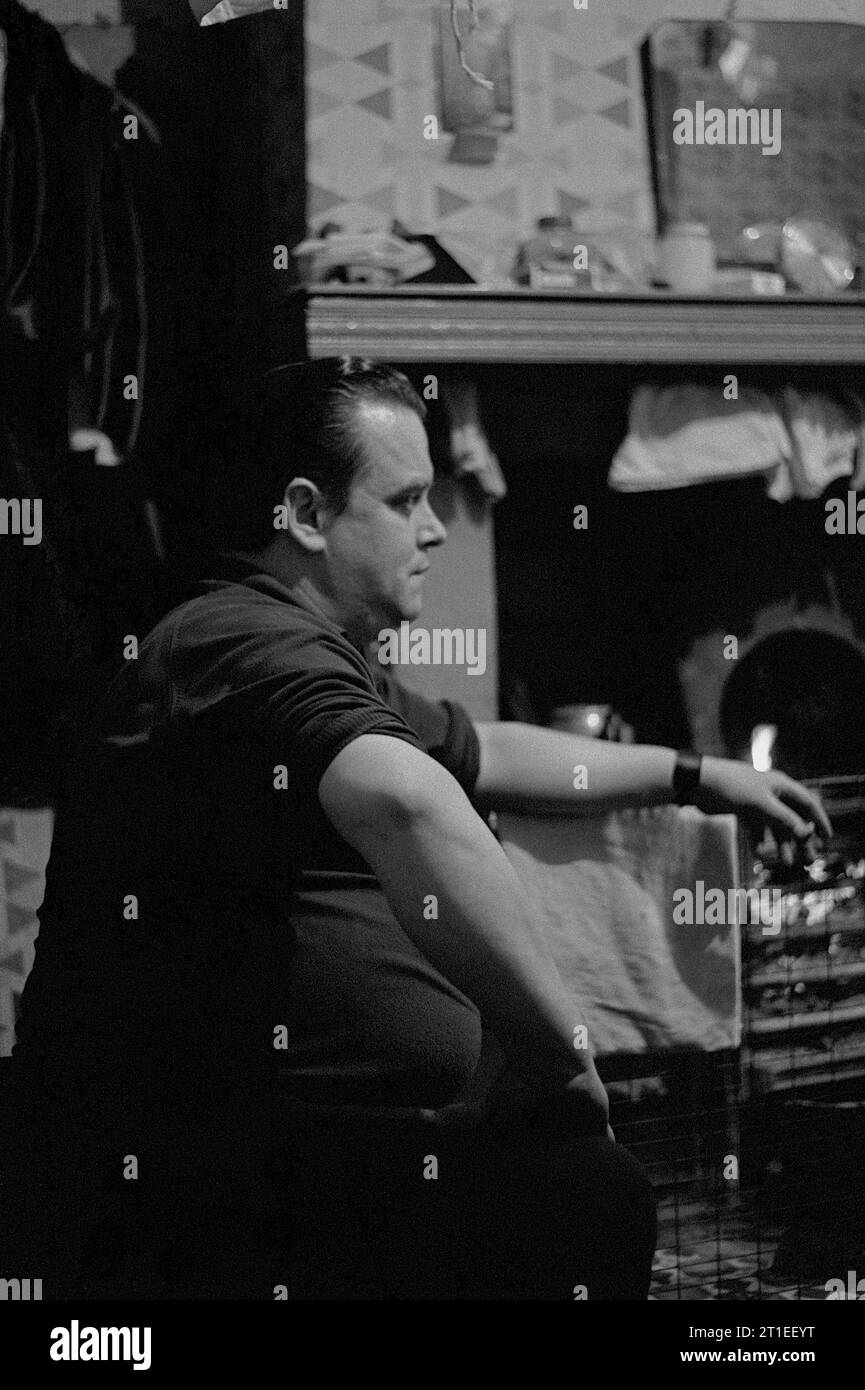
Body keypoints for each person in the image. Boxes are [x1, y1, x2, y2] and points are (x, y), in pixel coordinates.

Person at [11, 357, 830, 1301]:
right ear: (308, 515)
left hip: (298, 1146)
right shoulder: (230, 641)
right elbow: (407, 798)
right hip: (189, 1168)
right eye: (406, 500)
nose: (437, 529)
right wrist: (557, 1053)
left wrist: (696, 774)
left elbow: (483, 749)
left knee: (573, 1191)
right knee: (581, 1192)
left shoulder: (311, 655)